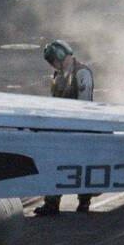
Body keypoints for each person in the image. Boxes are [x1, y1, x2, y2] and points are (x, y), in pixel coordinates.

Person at [33, 40, 95, 216]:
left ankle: (84, 202)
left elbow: (84, 105)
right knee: (54, 164)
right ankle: (52, 203)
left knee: (82, 166)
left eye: (53, 59)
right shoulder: (57, 76)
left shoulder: (81, 73)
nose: (52, 64)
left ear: (60, 55)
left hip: (79, 128)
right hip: (62, 128)